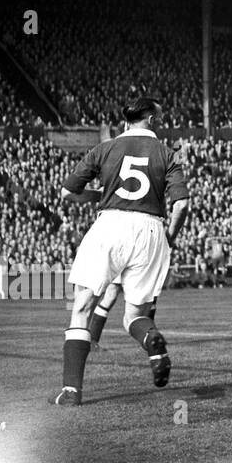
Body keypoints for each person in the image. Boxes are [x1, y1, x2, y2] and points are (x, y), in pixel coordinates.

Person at [50, 97, 190, 406]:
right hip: (151, 229)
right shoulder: (167, 154)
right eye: (161, 118)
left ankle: (71, 391)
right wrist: (169, 238)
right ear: (151, 120)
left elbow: (66, 192)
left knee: (82, 306)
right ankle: (150, 340)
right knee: (134, 315)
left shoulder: (105, 148)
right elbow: (181, 204)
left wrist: (97, 196)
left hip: (111, 223)